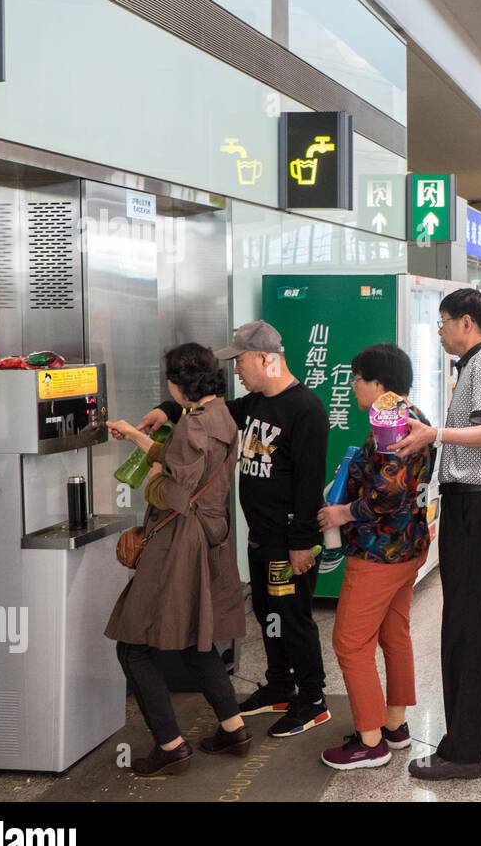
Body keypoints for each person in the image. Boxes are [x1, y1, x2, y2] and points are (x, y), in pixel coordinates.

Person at [139, 321, 330, 738]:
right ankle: (280, 685)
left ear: (266, 359)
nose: (236, 371)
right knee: (268, 614)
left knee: (293, 616)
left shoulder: (307, 411)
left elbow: (309, 485)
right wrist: (168, 409)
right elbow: (210, 410)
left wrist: (302, 545)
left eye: (240, 361)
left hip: (288, 540)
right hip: (259, 536)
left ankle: (313, 700)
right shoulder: (255, 403)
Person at [392, 288, 481, 780]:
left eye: (444, 321)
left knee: (465, 627)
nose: (441, 330)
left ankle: (463, 749)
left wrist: (434, 435)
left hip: (478, 506)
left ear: (467, 322)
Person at [105, 343, 249, 775]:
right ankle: (234, 727)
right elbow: (183, 462)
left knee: (133, 646)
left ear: (176, 382)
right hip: (211, 534)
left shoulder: (191, 427)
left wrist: (150, 486)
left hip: (178, 542)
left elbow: (175, 489)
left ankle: (170, 746)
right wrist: (135, 435)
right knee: (195, 637)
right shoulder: (220, 415)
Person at [316, 344, 436, 770]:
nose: (352, 385)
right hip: (410, 548)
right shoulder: (415, 414)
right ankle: (395, 724)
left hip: (379, 551)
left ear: (379, 384)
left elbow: (385, 493)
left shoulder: (388, 420)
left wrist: (341, 512)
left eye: (357, 377)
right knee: (394, 633)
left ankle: (370, 741)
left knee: (349, 643)